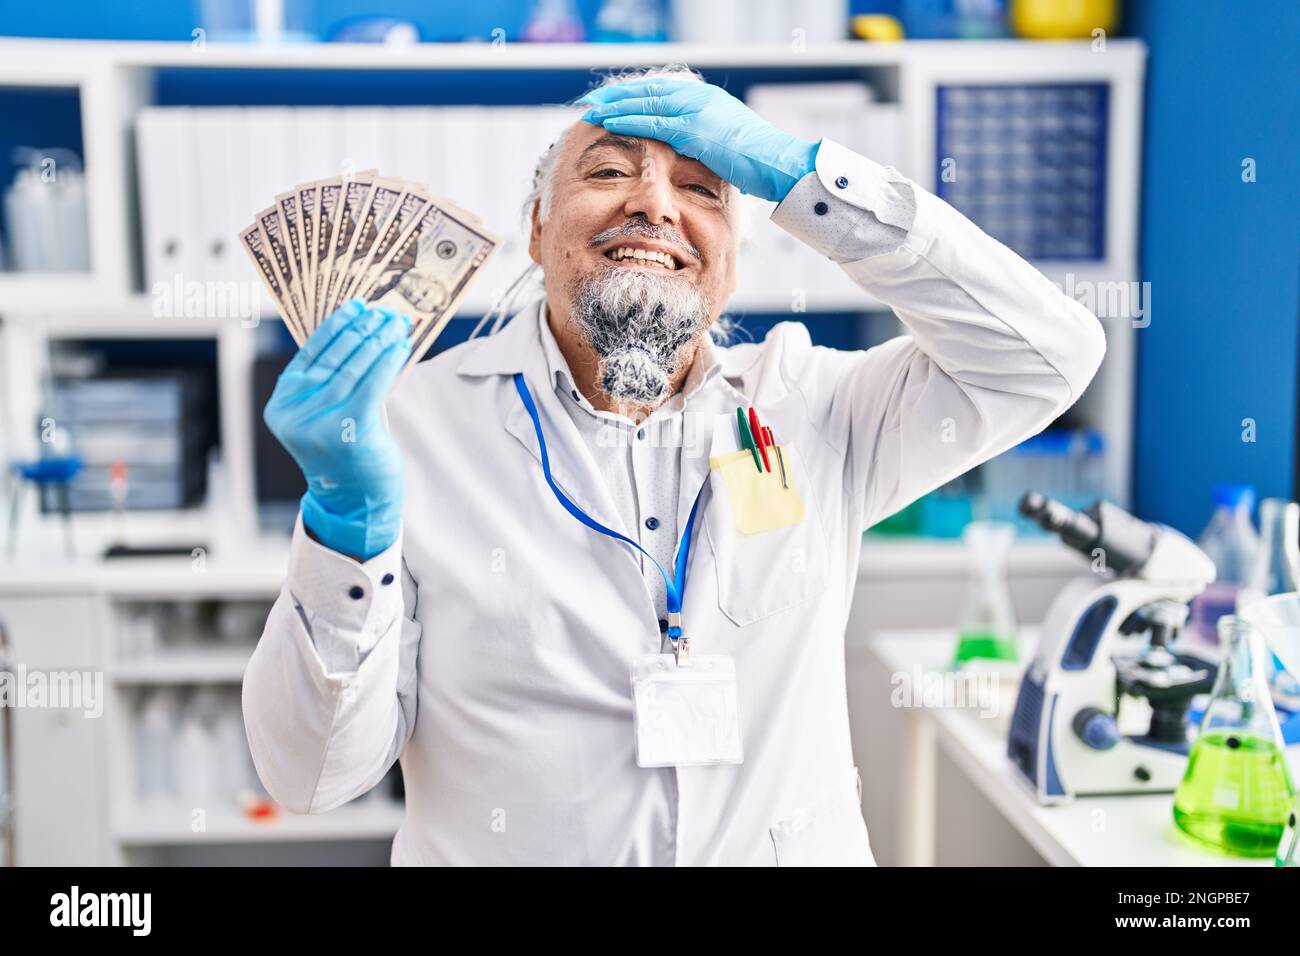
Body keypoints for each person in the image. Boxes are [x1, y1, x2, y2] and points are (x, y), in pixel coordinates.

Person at [243, 64, 1105, 865]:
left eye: (702, 187)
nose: (656, 206)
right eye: (610, 172)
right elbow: (312, 775)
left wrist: (803, 174)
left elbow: (1047, 358)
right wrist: (342, 531)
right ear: (537, 228)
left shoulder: (815, 406)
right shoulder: (409, 430)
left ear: (733, 254)